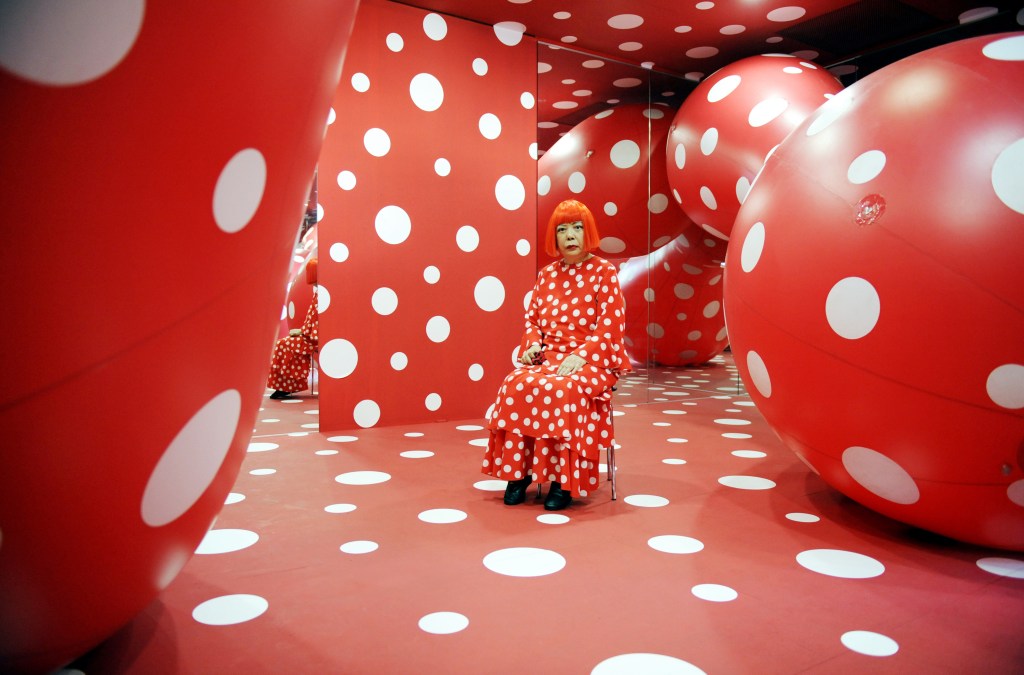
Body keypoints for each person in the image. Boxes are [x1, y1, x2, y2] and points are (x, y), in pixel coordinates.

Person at [481, 199, 630, 510]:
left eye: (577, 227)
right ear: (555, 236)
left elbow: (611, 326)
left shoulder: (604, 272)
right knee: (516, 383)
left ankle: (564, 481)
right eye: (562, 230)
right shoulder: (546, 275)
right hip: (551, 358)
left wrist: (583, 355)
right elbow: (533, 321)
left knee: (565, 389)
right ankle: (519, 474)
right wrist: (532, 346)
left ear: (588, 232)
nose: (570, 235)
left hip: (595, 361)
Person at [267, 261, 319, 399]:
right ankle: (285, 386)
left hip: (314, 338)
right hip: (310, 335)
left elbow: (317, 325)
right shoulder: (318, 294)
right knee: (282, 344)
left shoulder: (322, 296)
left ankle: (287, 386)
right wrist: (302, 331)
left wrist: (303, 332)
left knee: (284, 345)